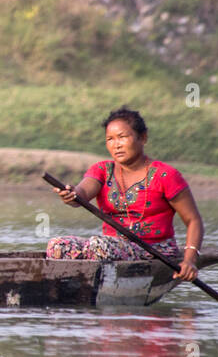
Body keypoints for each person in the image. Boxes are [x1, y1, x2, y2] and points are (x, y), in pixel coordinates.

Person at [48, 107, 203, 281]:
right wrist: (71, 194)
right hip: (111, 247)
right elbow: (82, 193)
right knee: (57, 246)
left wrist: (189, 261)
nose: (116, 145)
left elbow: (193, 220)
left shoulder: (166, 175)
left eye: (122, 137)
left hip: (155, 250)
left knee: (99, 245)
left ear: (142, 138)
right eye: (110, 139)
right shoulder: (102, 170)